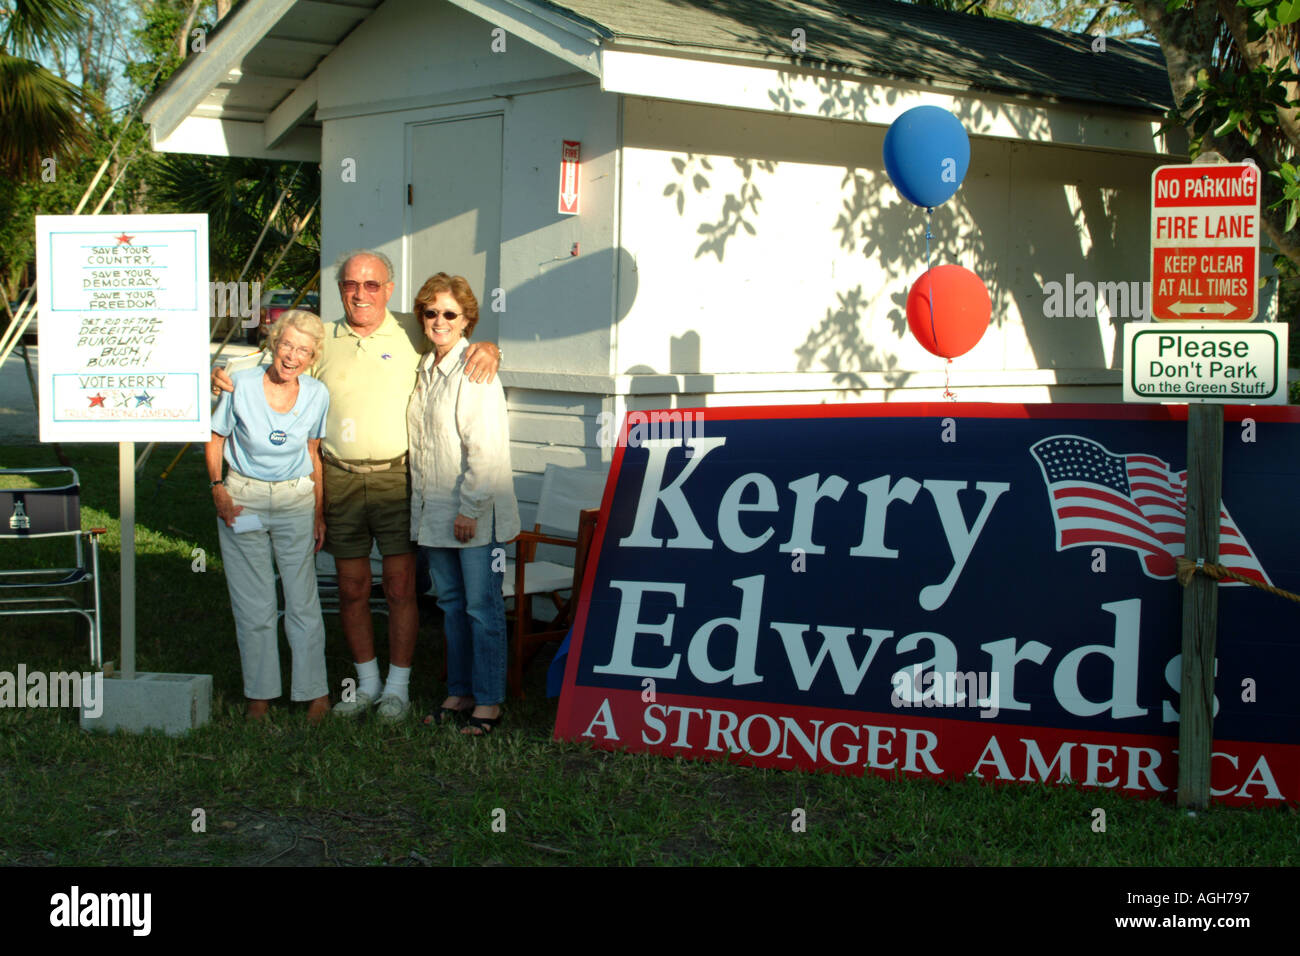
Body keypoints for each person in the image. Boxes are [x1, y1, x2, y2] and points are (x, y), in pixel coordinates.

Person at [211, 251, 501, 722]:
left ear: (388, 289)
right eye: (351, 284)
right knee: (351, 587)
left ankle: (398, 689)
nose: (360, 293)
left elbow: (458, 330)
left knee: (402, 586)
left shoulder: (414, 327)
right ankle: (366, 684)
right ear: (340, 287)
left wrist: (492, 347)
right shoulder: (324, 338)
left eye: (371, 284)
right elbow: (268, 366)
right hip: (338, 476)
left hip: (396, 476)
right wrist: (220, 376)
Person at [408, 273, 519, 735]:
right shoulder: (424, 367)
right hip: (434, 510)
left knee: (481, 607)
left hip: (473, 514)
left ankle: (489, 701)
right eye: (431, 312)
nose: (439, 320)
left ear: (467, 319)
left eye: (449, 313)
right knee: (451, 605)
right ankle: (459, 691)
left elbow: (485, 449)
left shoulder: (475, 370)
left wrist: (469, 510)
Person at [207, 310, 331, 722]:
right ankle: (259, 697)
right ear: (274, 343)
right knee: (254, 601)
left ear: (312, 358)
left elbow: (314, 455)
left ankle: (314, 694)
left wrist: (318, 511)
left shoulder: (317, 394)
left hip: (296, 499)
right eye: (287, 345)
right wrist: (218, 489)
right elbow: (215, 438)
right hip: (244, 497)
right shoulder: (239, 383)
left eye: (303, 350)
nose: (292, 355)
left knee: (302, 600)